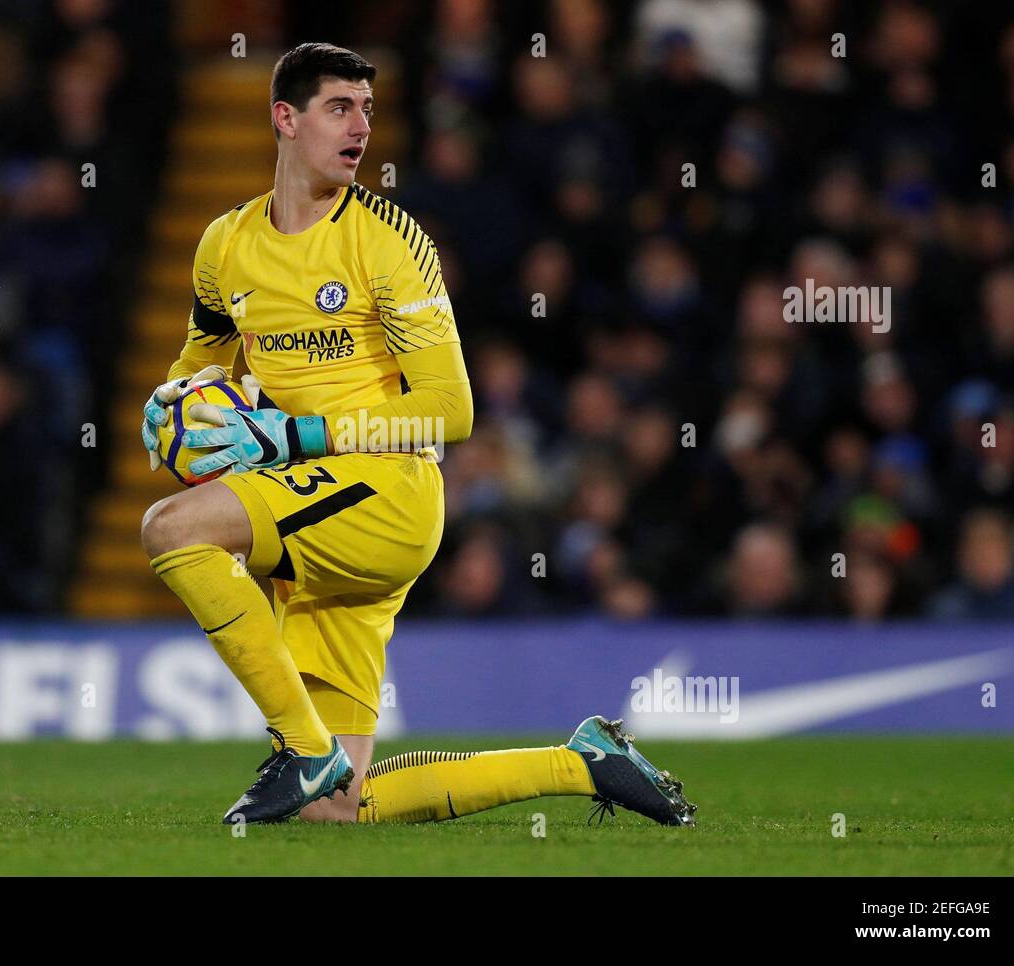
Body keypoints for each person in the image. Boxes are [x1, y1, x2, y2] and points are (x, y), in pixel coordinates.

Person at [138, 43, 695, 828]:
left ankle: (302, 749)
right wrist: (166, 410)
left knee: (173, 529)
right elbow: (196, 370)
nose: (361, 124)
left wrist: (292, 435)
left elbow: (452, 408)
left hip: (385, 492)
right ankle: (583, 763)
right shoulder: (223, 247)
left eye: (367, 108)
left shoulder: (391, 239)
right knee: (336, 811)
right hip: (314, 518)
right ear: (284, 120)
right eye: (340, 107)